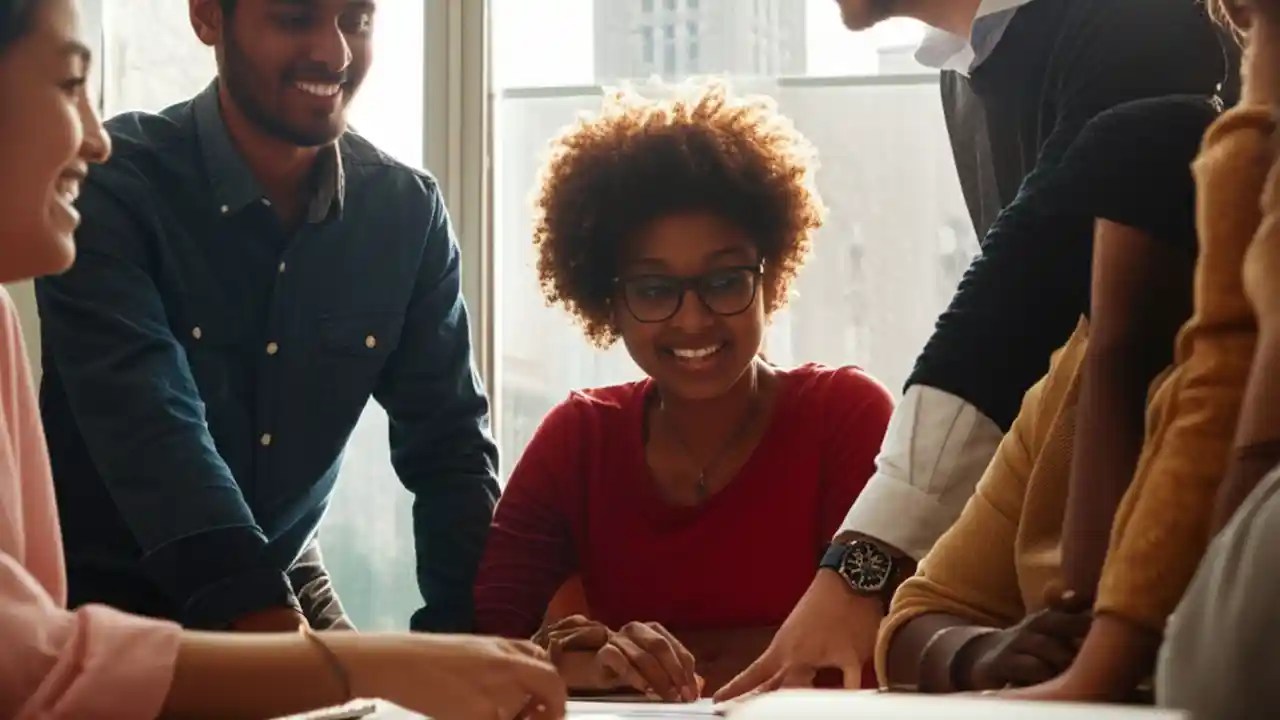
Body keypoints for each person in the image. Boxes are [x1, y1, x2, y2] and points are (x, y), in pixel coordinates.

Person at [0, 1, 567, 718]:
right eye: (296, 17)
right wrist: (303, 652)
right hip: (104, 642)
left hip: (285, 614)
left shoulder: (404, 212)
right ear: (208, 17)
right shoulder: (115, 191)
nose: (334, 52)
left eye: (357, 19)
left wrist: (479, 652)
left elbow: (451, 452)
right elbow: (153, 426)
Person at [719, 0, 1234, 698]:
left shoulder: (1133, 20)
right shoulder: (962, 78)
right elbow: (1057, 343)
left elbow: (1039, 291)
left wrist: (862, 561)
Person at [472, 81, 895, 699]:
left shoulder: (845, 417)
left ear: (769, 277)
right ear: (608, 302)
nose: (693, 320)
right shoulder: (578, 439)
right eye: (652, 290)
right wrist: (600, 665)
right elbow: (486, 643)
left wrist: (653, 660)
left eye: (724, 281)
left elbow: (876, 644)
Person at [875, 93, 1213, 695]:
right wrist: (981, 654)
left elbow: (1101, 611)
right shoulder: (1072, 375)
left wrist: (1120, 355)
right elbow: (914, 615)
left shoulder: (1224, 386)